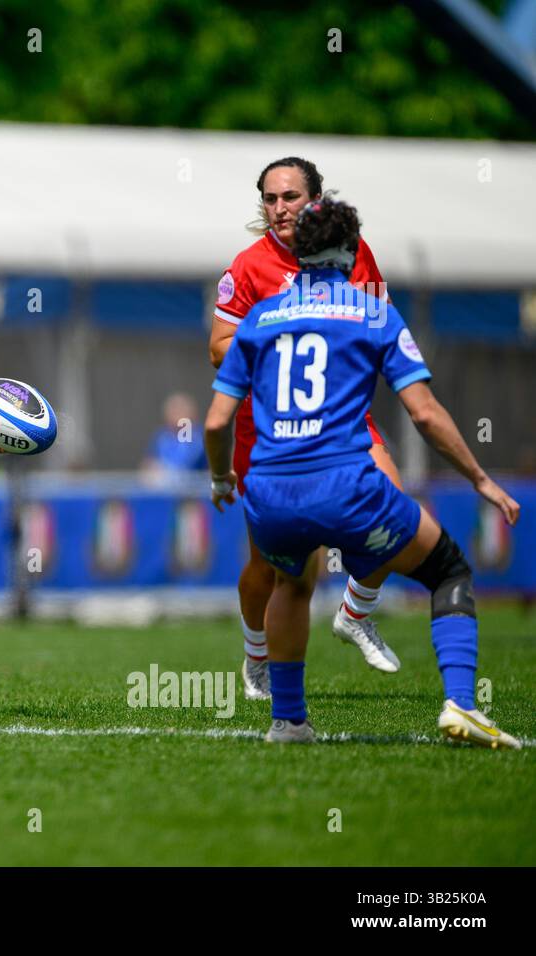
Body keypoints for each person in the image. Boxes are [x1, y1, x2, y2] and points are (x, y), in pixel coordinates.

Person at [205, 194, 521, 748]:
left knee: (292, 585)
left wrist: (220, 479)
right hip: (345, 483)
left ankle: (289, 723)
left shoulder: (259, 317)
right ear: (352, 251)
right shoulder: (372, 310)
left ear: (298, 253)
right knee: (447, 570)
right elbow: (423, 412)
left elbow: (214, 423)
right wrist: (479, 478)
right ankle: (462, 706)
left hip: (269, 491)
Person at [208, 156, 403, 698]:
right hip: (269, 428)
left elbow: (374, 328)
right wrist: (282, 342)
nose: (278, 209)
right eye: (270, 199)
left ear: (315, 199)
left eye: (289, 197)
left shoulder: (355, 254)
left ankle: (355, 612)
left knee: (395, 505)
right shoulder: (249, 266)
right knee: (274, 566)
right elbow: (217, 348)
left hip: (340, 416)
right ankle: (256, 658)